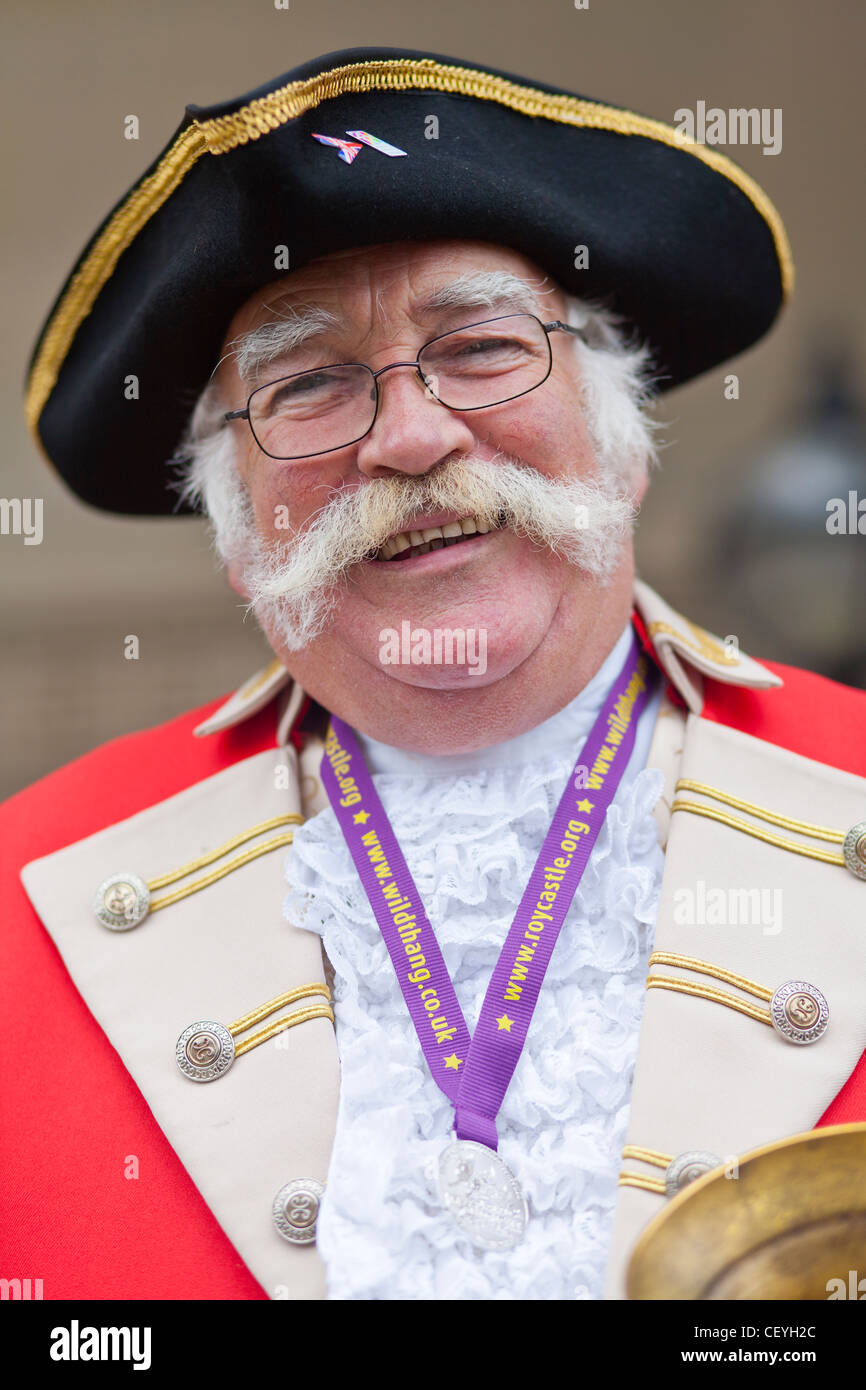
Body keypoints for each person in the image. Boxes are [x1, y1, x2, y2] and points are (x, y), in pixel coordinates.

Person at [4, 45, 865, 1302]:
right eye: (308, 385)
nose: (410, 437)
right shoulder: (24, 891)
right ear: (237, 530)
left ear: (621, 448)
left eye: (479, 347)